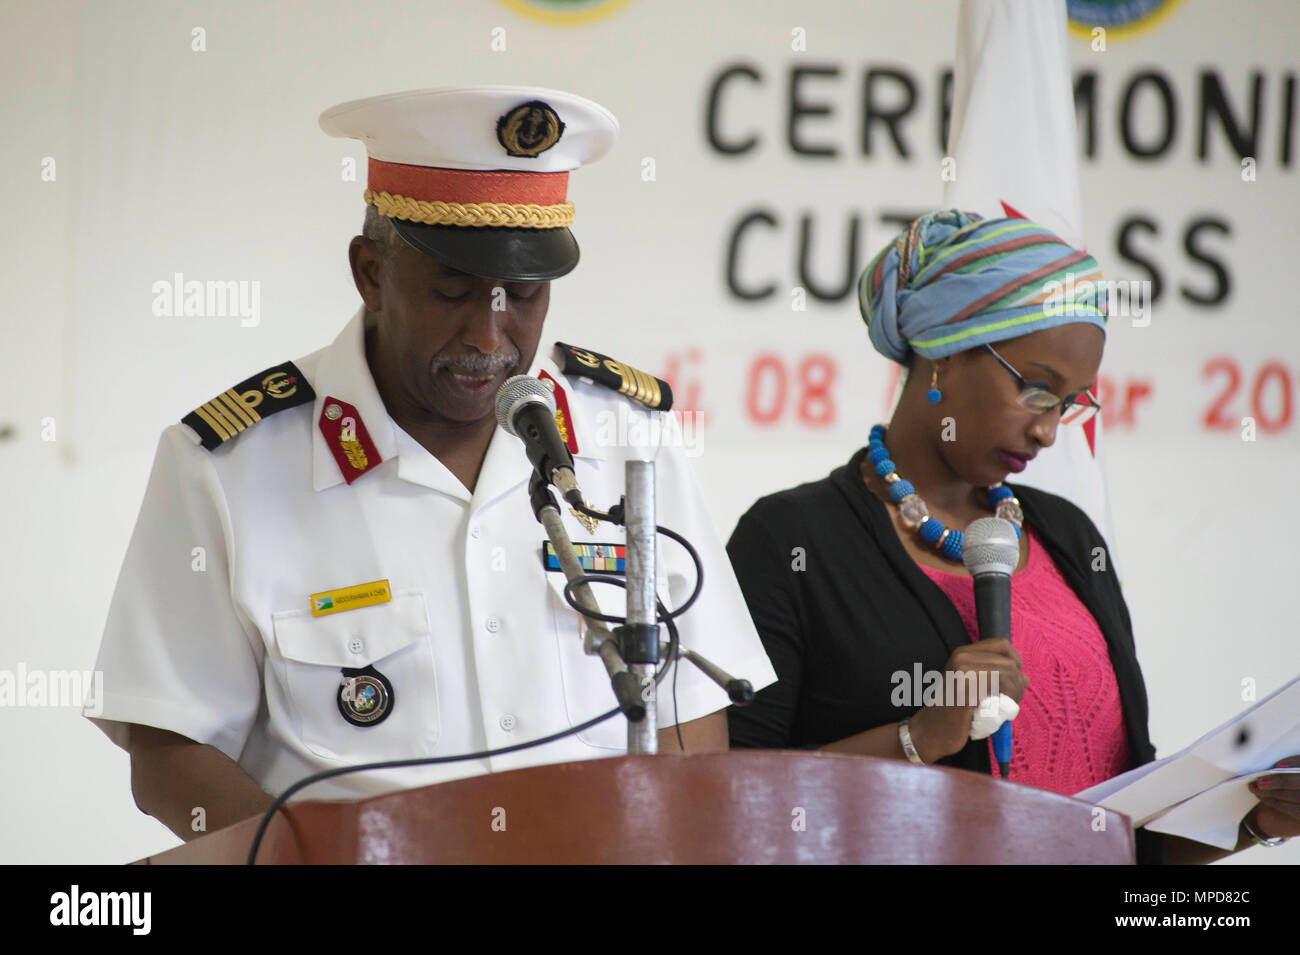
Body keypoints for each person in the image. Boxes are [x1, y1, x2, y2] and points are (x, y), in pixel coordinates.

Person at [84, 86, 776, 843]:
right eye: (452, 291)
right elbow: (168, 749)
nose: (490, 332)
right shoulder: (225, 465)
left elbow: (691, 717)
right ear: (370, 273)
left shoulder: (627, 437)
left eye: (524, 294)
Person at [725, 209, 1299, 864]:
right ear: (940, 348)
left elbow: (1121, 840)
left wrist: (1250, 819)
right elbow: (729, 803)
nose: (1049, 431)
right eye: (1035, 388)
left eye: (1070, 403)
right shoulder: (790, 539)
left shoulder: (1068, 535)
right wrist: (915, 738)